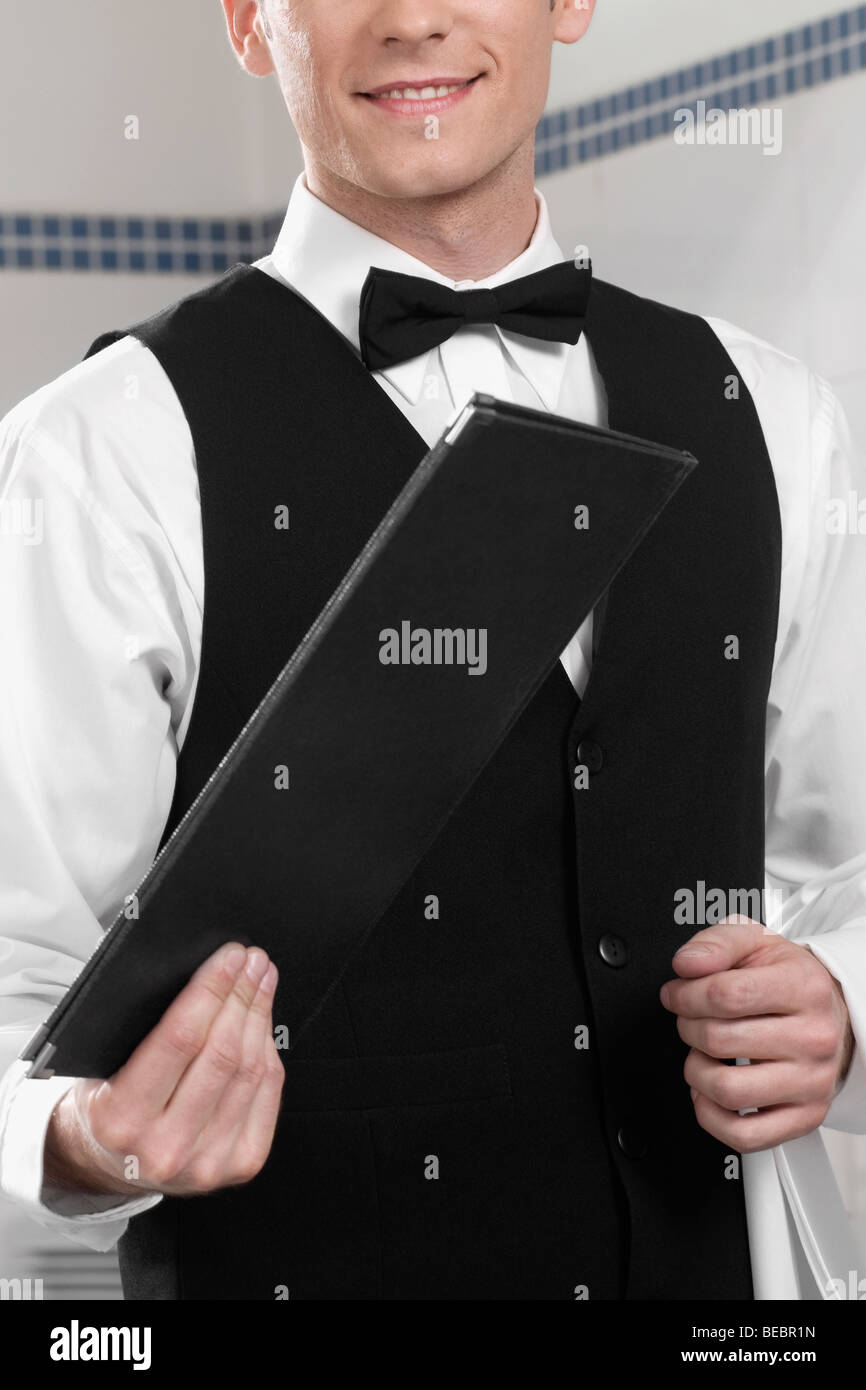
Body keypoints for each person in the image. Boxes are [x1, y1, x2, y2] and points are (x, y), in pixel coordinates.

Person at [0, 0, 864, 1301]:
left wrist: (839, 1005)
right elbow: (17, 983)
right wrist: (83, 1139)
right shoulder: (95, 455)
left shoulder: (780, 419)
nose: (412, 18)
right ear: (246, 20)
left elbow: (845, 867)